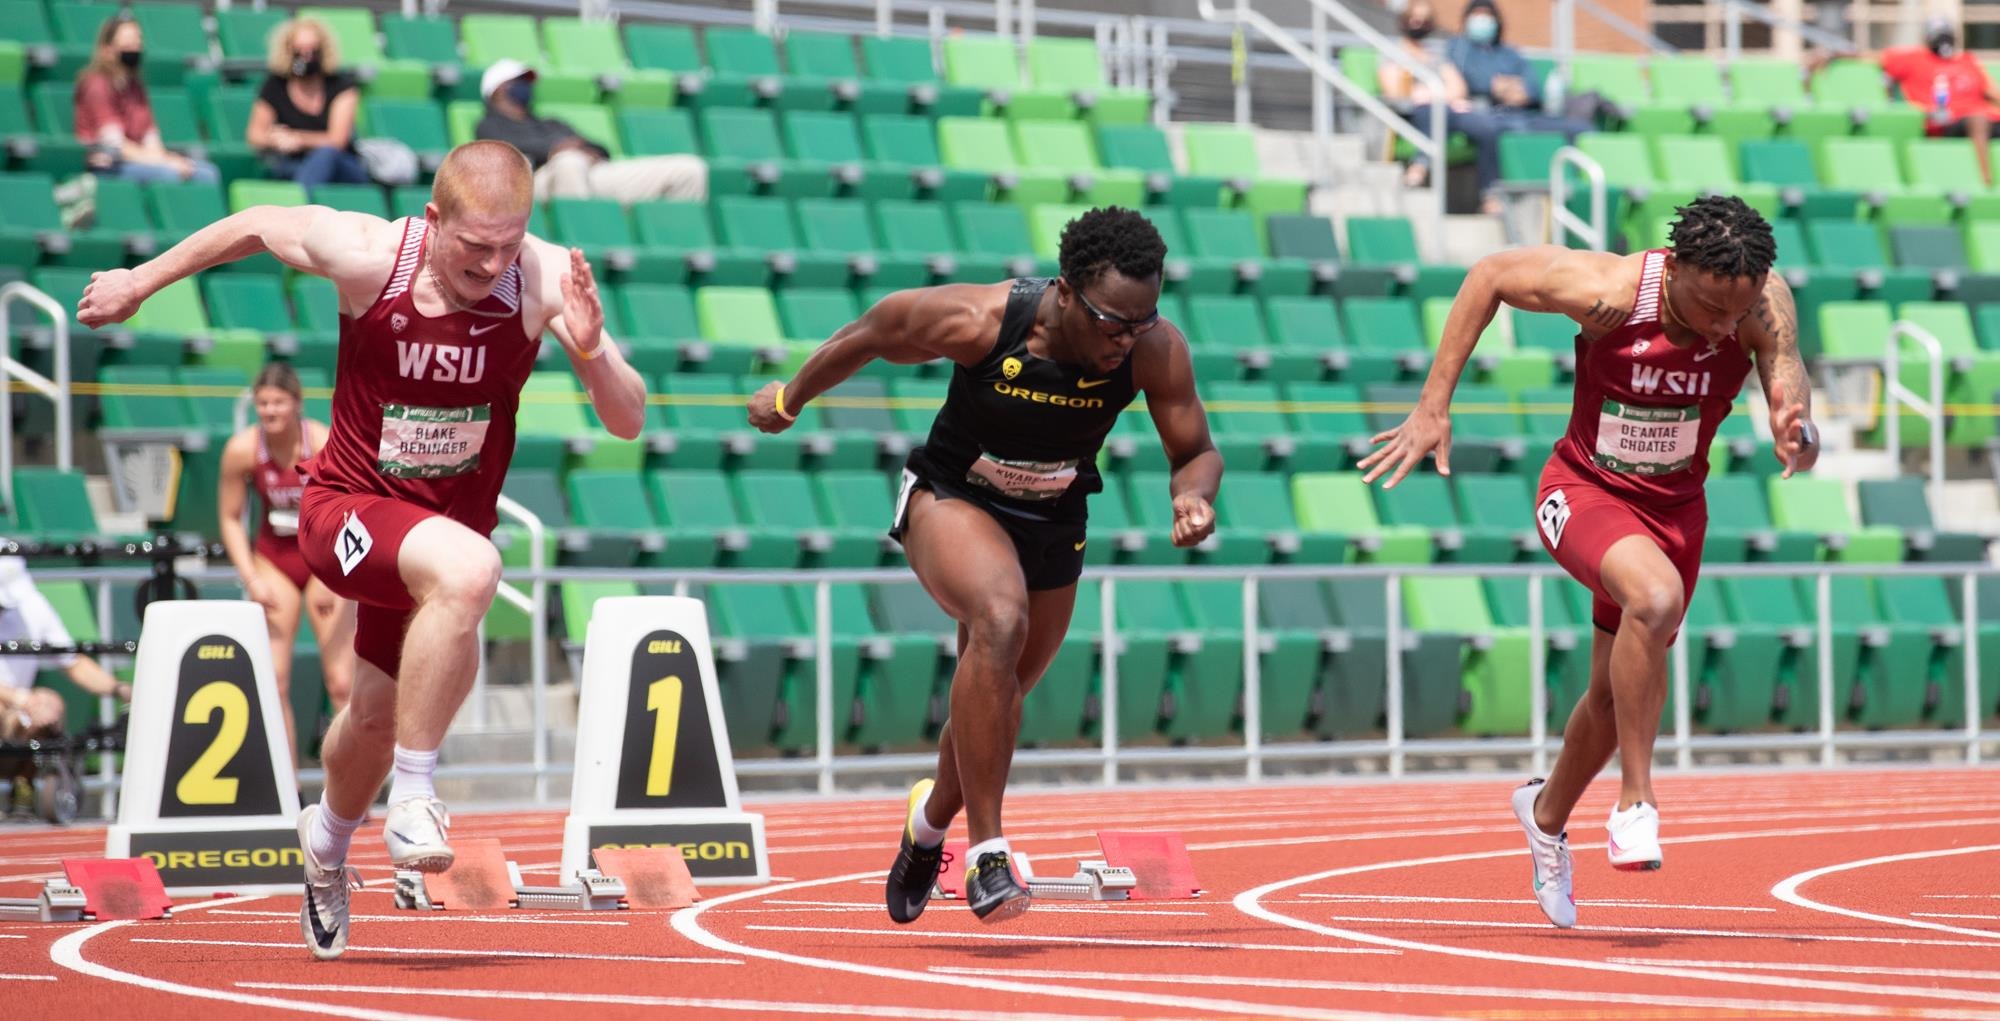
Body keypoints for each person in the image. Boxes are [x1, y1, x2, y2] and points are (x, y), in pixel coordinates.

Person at [75, 139, 647, 960]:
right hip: (345, 511)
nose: (491, 266)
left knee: (373, 722)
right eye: (473, 246)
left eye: (507, 245)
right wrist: (139, 283)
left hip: (433, 547)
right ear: (432, 219)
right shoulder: (372, 254)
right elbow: (255, 224)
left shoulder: (547, 278)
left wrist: (590, 353)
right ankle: (416, 799)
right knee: (476, 569)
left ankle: (326, 845)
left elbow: (627, 419)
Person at [748, 207, 1222, 924]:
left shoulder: (1154, 349)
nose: (1124, 338)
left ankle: (928, 824)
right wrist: (789, 398)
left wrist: (1193, 497)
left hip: (1053, 521)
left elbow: (1195, 451)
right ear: (1065, 291)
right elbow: (873, 331)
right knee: (999, 617)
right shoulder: (980, 320)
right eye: (1111, 322)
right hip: (951, 498)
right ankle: (988, 852)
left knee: (996, 697)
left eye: (1141, 320)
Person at [1359, 195, 1817, 928]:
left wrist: (1798, 426)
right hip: (1583, 491)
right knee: (1656, 598)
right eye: (1710, 308)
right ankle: (1637, 799)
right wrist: (1433, 405)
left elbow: (1786, 374)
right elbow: (1490, 275)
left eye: (1737, 313)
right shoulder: (1609, 290)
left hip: (1674, 512)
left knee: (1608, 703)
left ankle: (1543, 815)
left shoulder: (1761, 301)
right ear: (1675, 270)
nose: (1725, 327)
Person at [216, 361, 357, 765]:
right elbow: (228, 517)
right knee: (275, 681)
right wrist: (251, 578)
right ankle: (287, 787)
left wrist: (337, 577)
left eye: (278, 403)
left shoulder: (324, 443)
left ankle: (348, 789)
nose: (270, 412)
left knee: (342, 682)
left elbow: (351, 511)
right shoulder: (243, 449)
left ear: (296, 403)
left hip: (323, 563)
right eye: (262, 403)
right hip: (274, 561)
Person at [474, 59, 708, 204]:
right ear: (497, 89)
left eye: (527, 82)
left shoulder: (550, 123)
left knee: (688, 170)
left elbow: (600, 148)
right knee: (569, 161)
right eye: (517, 81)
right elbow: (508, 156)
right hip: (537, 183)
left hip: (588, 175)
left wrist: (584, 150)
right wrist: (558, 150)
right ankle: (582, 247)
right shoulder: (488, 125)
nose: (526, 87)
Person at [1442, 0, 1591, 214]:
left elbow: (1531, 86)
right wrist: (1500, 87)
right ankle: (1490, 194)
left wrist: (1515, 90)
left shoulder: (1510, 53)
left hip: (1522, 114)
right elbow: (1478, 81)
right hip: (1485, 114)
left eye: (1487, 15)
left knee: (1580, 128)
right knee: (1486, 129)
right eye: (1477, 15)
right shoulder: (1458, 47)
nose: (1482, 21)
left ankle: (1578, 191)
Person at [72, 14, 219, 185]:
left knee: (206, 173)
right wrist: (166, 162)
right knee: (168, 175)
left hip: (137, 162)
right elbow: (115, 145)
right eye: (128, 42)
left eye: (138, 41)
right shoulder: (96, 85)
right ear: (108, 49)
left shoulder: (135, 87)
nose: (135, 47)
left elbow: (150, 139)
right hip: (107, 167)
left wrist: (172, 160)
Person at [0, 557, 128, 745]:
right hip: (12, 704)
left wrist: (120, 689)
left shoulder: (31, 604)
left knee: (51, 704)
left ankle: (42, 771)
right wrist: (21, 699)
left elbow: (73, 662)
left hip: (16, 704)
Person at [245, 16, 368, 188]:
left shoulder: (341, 85)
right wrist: (275, 138)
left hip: (342, 167)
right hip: (292, 164)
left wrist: (297, 139)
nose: (306, 57)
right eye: (299, 51)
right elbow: (255, 134)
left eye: (312, 51)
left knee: (325, 155)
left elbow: (337, 140)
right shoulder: (275, 85)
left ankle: (300, 205)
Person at [1878, 17, 2000, 186]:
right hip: (1948, 121)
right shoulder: (1915, 59)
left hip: (1987, 119)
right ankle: (1986, 181)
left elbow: (1991, 91)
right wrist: (1837, 55)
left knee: (1980, 118)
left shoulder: (1966, 60)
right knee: (1978, 119)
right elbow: (1874, 57)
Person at [1377, 0, 1468, 189]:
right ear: (1404, 20)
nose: (1418, 24)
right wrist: (1436, 95)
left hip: (1444, 109)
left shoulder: (1436, 55)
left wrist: (1431, 95)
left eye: (1424, 21)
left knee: (1484, 125)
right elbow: (1395, 91)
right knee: (1432, 113)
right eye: (1414, 19)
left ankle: (1491, 194)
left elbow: (1459, 88)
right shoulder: (1393, 52)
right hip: (1411, 114)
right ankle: (1418, 168)